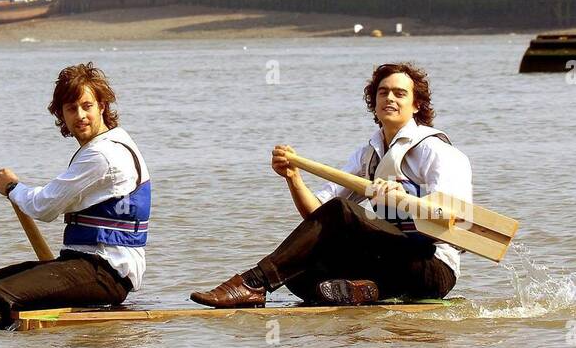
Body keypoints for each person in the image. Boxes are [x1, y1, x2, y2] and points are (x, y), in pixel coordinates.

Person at [190, 62, 470, 308]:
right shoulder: (368, 154)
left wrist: (406, 198)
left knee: (342, 212)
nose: (390, 98)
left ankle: (253, 283)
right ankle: (368, 290)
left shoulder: (436, 150)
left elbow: (455, 222)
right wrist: (294, 178)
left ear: (416, 104)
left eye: (400, 93)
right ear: (373, 102)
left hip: (431, 268)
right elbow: (319, 217)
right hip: (387, 262)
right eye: (383, 92)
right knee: (297, 272)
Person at [0, 63, 151, 330]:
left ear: (102, 106)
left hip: (107, 274)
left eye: (87, 106)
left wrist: (12, 187)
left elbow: (44, 207)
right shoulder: (99, 148)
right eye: (71, 109)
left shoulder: (103, 155)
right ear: (61, 116)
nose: (80, 115)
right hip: (80, 264)